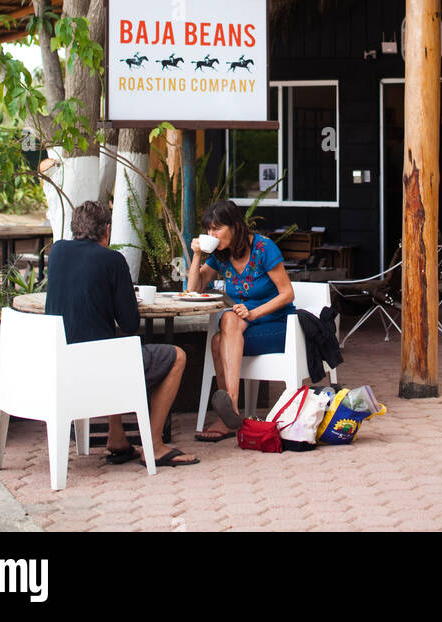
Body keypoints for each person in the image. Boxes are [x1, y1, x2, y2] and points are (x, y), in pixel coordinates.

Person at [45, 199, 196, 466]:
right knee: (177, 356)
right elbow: (128, 322)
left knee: (111, 345)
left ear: (74, 228)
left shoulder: (57, 252)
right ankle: (156, 444)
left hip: (61, 365)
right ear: (107, 230)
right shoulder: (112, 260)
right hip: (98, 369)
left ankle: (117, 437)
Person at [188, 199, 296, 442]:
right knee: (222, 333)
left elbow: (287, 293)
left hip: (276, 327)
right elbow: (193, 289)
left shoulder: (263, 248)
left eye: (217, 229)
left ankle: (231, 409)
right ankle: (231, 413)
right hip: (241, 329)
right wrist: (196, 256)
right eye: (208, 230)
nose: (211, 234)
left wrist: (254, 313)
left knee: (226, 324)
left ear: (235, 226)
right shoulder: (221, 254)